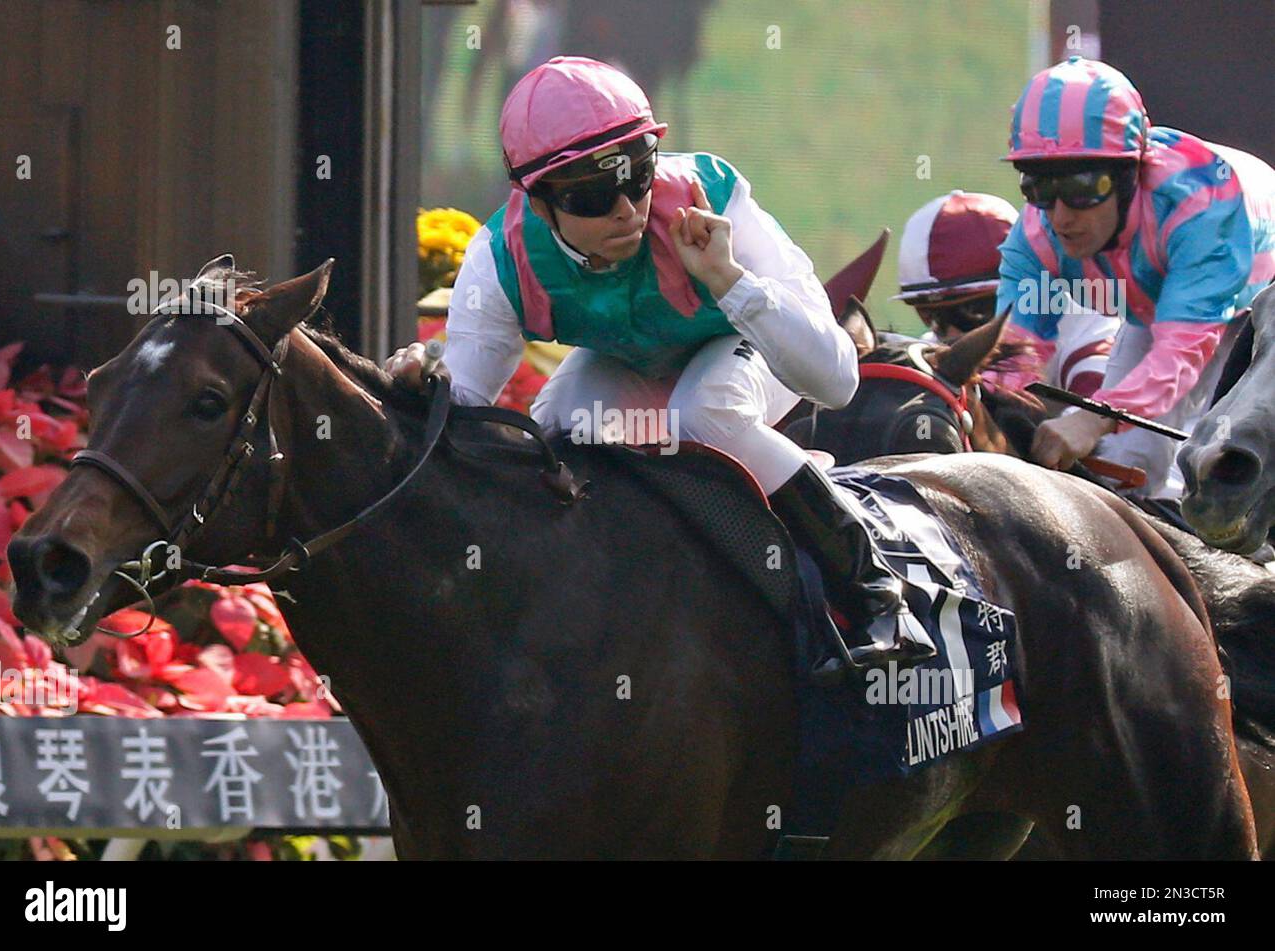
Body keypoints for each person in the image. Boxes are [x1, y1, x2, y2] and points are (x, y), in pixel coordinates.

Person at [386, 56, 935, 666]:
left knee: (706, 409)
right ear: (537, 204)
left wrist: (729, 281)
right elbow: (461, 400)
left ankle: (877, 593)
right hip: (632, 367)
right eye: (594, 194)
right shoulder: (499, 256)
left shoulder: (715, 193)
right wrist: (422, 378)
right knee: (563, 419)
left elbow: (836, 380)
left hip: (743, 356)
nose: (626, 208)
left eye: (638, 174)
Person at [996, 56, 1275, 497]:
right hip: (1168, 308)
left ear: (1130, 176)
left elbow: (1182, 352)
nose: (1062, 216)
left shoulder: (1198, 209)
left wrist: (1091, 418)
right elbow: (1015, 361)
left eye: (1084, 187)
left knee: (1226, 467)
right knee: (1126, 468)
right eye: (1040, 188)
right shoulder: (1036, 236)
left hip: (1256, 311)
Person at [894, 190, 1118, 398]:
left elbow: (1106, 418)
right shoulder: (926, 352)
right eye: (930, 316)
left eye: (974, 311)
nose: (951, 334)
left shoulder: (1088, 325)